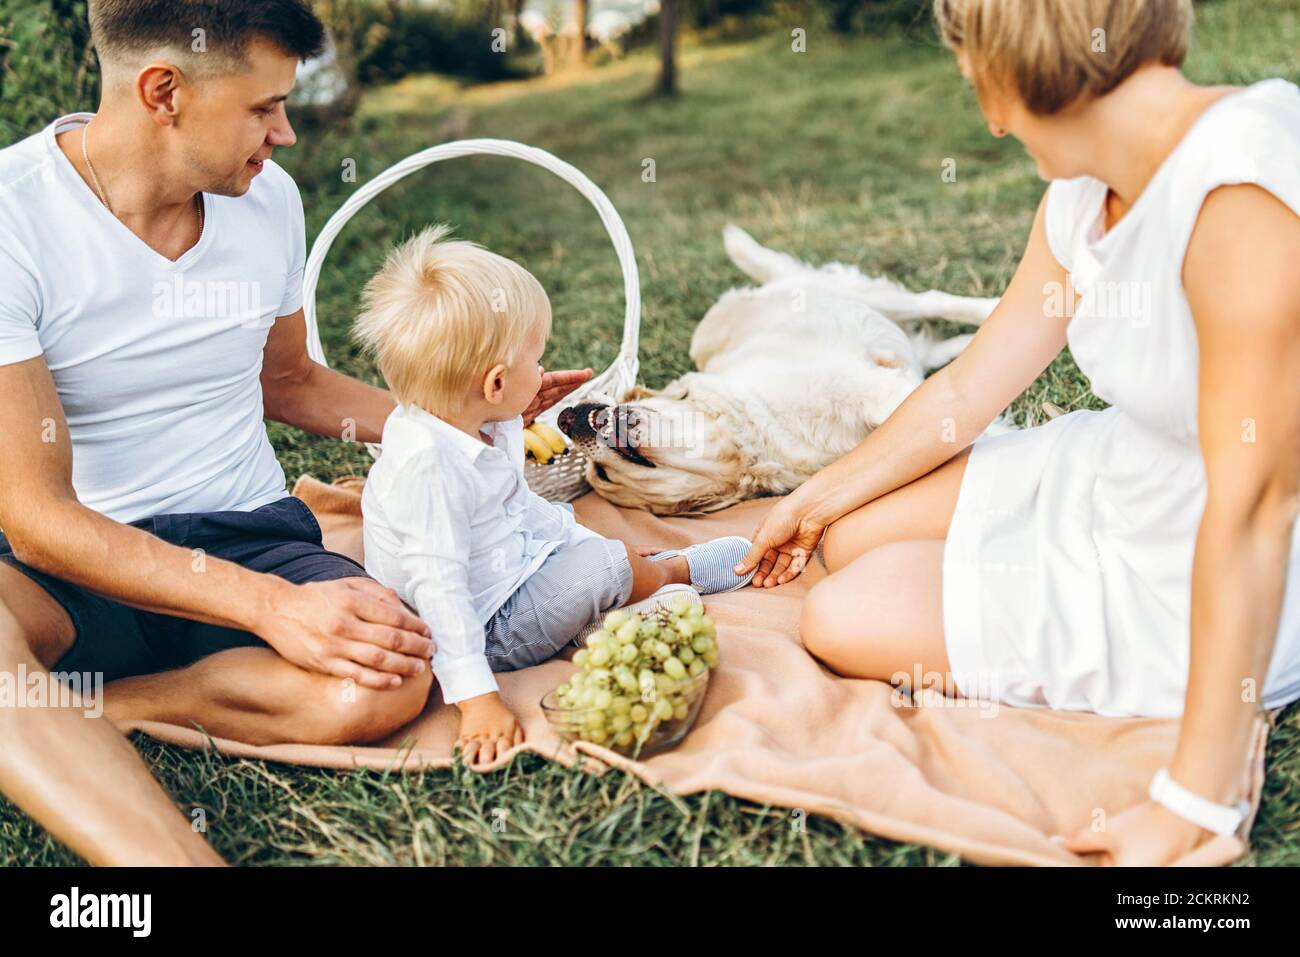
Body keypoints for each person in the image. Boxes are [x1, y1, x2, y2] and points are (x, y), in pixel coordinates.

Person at [0, 0, 594, 865]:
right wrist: (273, 611)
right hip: (78, 562)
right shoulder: (14, 218)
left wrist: (465, 421)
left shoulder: (267, 200)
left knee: (389, 680)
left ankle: (111, 703)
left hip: (252, 534)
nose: (282, 133)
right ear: (164, 90)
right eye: (262, 107)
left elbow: (291, 382)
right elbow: (35, 518)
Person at [734, 0, 1300, 865]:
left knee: (843, 616)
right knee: (846, 537)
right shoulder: (1084, 192)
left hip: (1193, 568)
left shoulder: (1240, 195)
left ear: (1027, 67)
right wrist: (817, 496)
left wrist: (1194, 801)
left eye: (980, 87)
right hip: (1121, 471)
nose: (991, 125)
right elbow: (969, 385)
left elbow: (1258, 508)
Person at [352, 225, 755, 767]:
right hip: (487, 625)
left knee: (569, 529)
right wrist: (478, 702)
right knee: (607, 564)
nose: (542, 371)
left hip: (510, 566)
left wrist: (519, 429)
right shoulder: (428, 471)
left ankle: (602, 609)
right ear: (494, 384)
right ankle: (673, 571)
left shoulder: (471, 421)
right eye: (535, 359)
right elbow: (442, 594)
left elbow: (517, 510)